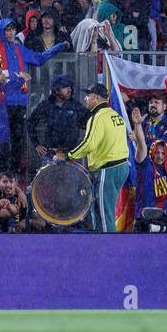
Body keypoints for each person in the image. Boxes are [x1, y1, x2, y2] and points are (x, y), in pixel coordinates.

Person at [68, 83, 129, 232]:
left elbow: (89, 144)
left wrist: (70, 155)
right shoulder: (115, 114)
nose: (85, 99)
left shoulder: (98, 117)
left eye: (88, 96)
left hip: (108, 169)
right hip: (122, 166)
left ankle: (108, 249)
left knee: (104, 213)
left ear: (96, 98)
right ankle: (101, 244)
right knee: (103, 209)